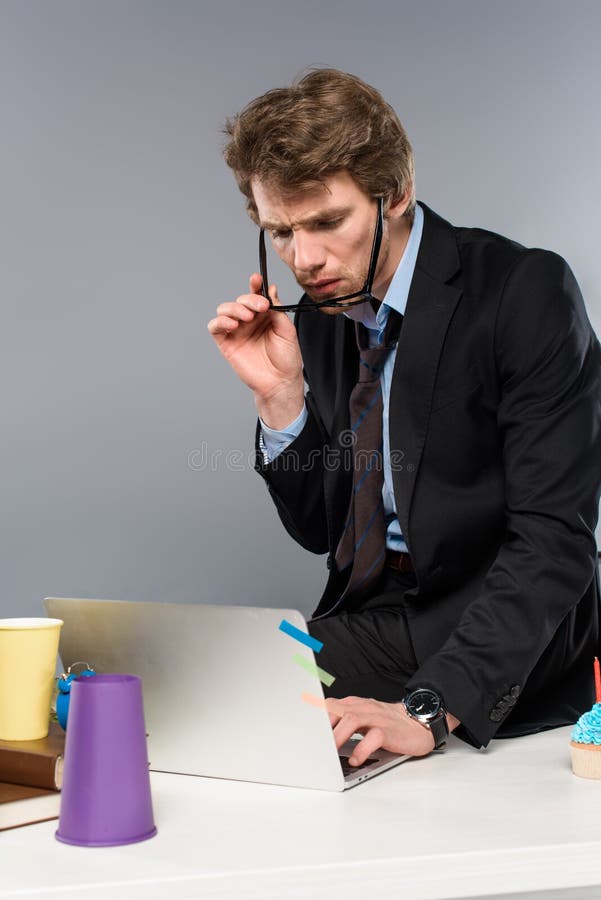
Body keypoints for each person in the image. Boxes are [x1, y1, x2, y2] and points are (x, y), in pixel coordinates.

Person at [208, 68, 601, 766]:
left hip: (502, 621)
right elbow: (320, 530)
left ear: (397, 194)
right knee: (207, 683)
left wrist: (431, 707)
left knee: (222, 693)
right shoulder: (325, 315)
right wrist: (281, 401)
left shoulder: (522, 290)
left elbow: (553, 539)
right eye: (280, 232)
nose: (304, 259)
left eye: (328, 222)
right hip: (379, 614)